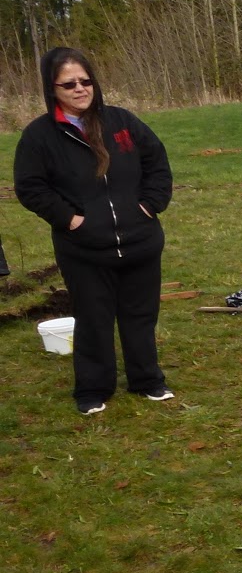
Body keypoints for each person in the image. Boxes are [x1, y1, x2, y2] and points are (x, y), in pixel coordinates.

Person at [13, 47, 174, 415]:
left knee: (140, 316)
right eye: (68, 84)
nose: (80, 89)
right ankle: (92, 389)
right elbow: (30, 187)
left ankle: (147, 380)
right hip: (84, 249)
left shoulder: (122, 122)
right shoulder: (40, 136)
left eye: (86, 81)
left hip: (140, 241)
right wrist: (71, 220)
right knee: (93, 319)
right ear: (52, 89)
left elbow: (157, 164)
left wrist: (149, 205)